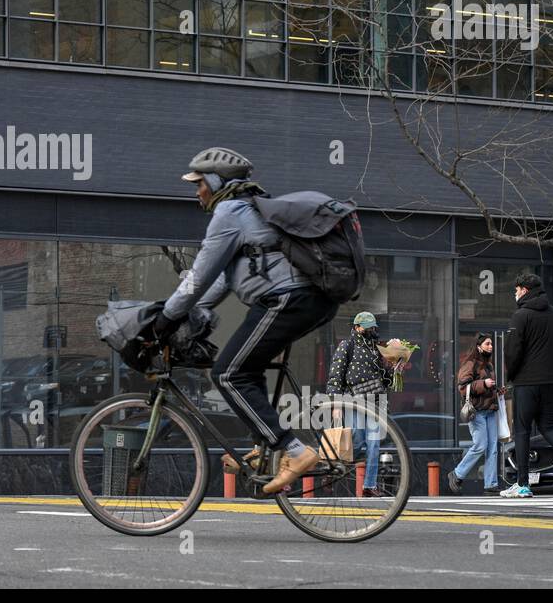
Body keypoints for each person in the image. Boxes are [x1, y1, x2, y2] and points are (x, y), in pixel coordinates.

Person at [151, 147, 338, 495]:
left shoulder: (230, 212)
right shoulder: (248, 209)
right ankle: (264, 445)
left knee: (227, 372)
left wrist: (166, 317)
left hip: (288, 299)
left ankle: (295, 451)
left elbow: (198, 276)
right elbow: (220, 280)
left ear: (216, 181)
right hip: (302, 300)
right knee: (244, 370)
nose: (197, 192)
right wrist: (194, 313)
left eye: (200, 184)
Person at [500, 272, 553, 497]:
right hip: (551, 382)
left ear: (525, 291)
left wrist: (513, 374)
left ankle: (522, 484)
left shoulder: (521, 316)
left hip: (526, 382)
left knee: (521, 431)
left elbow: (512, 352)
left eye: (517, 289)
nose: (515, 293)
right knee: (549, 427)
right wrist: (550, 368)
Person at [324, 311, 387, 497]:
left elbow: (384, 379)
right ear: (357, 327)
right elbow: (336, 375)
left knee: (374, 444)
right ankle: (332, 469)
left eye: (372, 327)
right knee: (356, 443)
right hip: (354, 402)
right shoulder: (347, 345)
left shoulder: (377, 348)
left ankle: (369, 485)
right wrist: (335, 404)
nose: (371, 330)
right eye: (367, 327)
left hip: (374, 402)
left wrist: (394, 368)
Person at [448, 333, 505, 495]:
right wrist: (483, 384)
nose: (490, 346)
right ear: (479, 346)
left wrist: (497, 391)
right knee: (480, 445)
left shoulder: (489, 365)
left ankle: (491, 484)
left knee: (493, 448)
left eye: (491, 344)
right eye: (487, 344)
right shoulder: (470, 363)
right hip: (477, 412)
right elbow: (463, 387)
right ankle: (457, 474)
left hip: (490, 411)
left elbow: (486, 388)